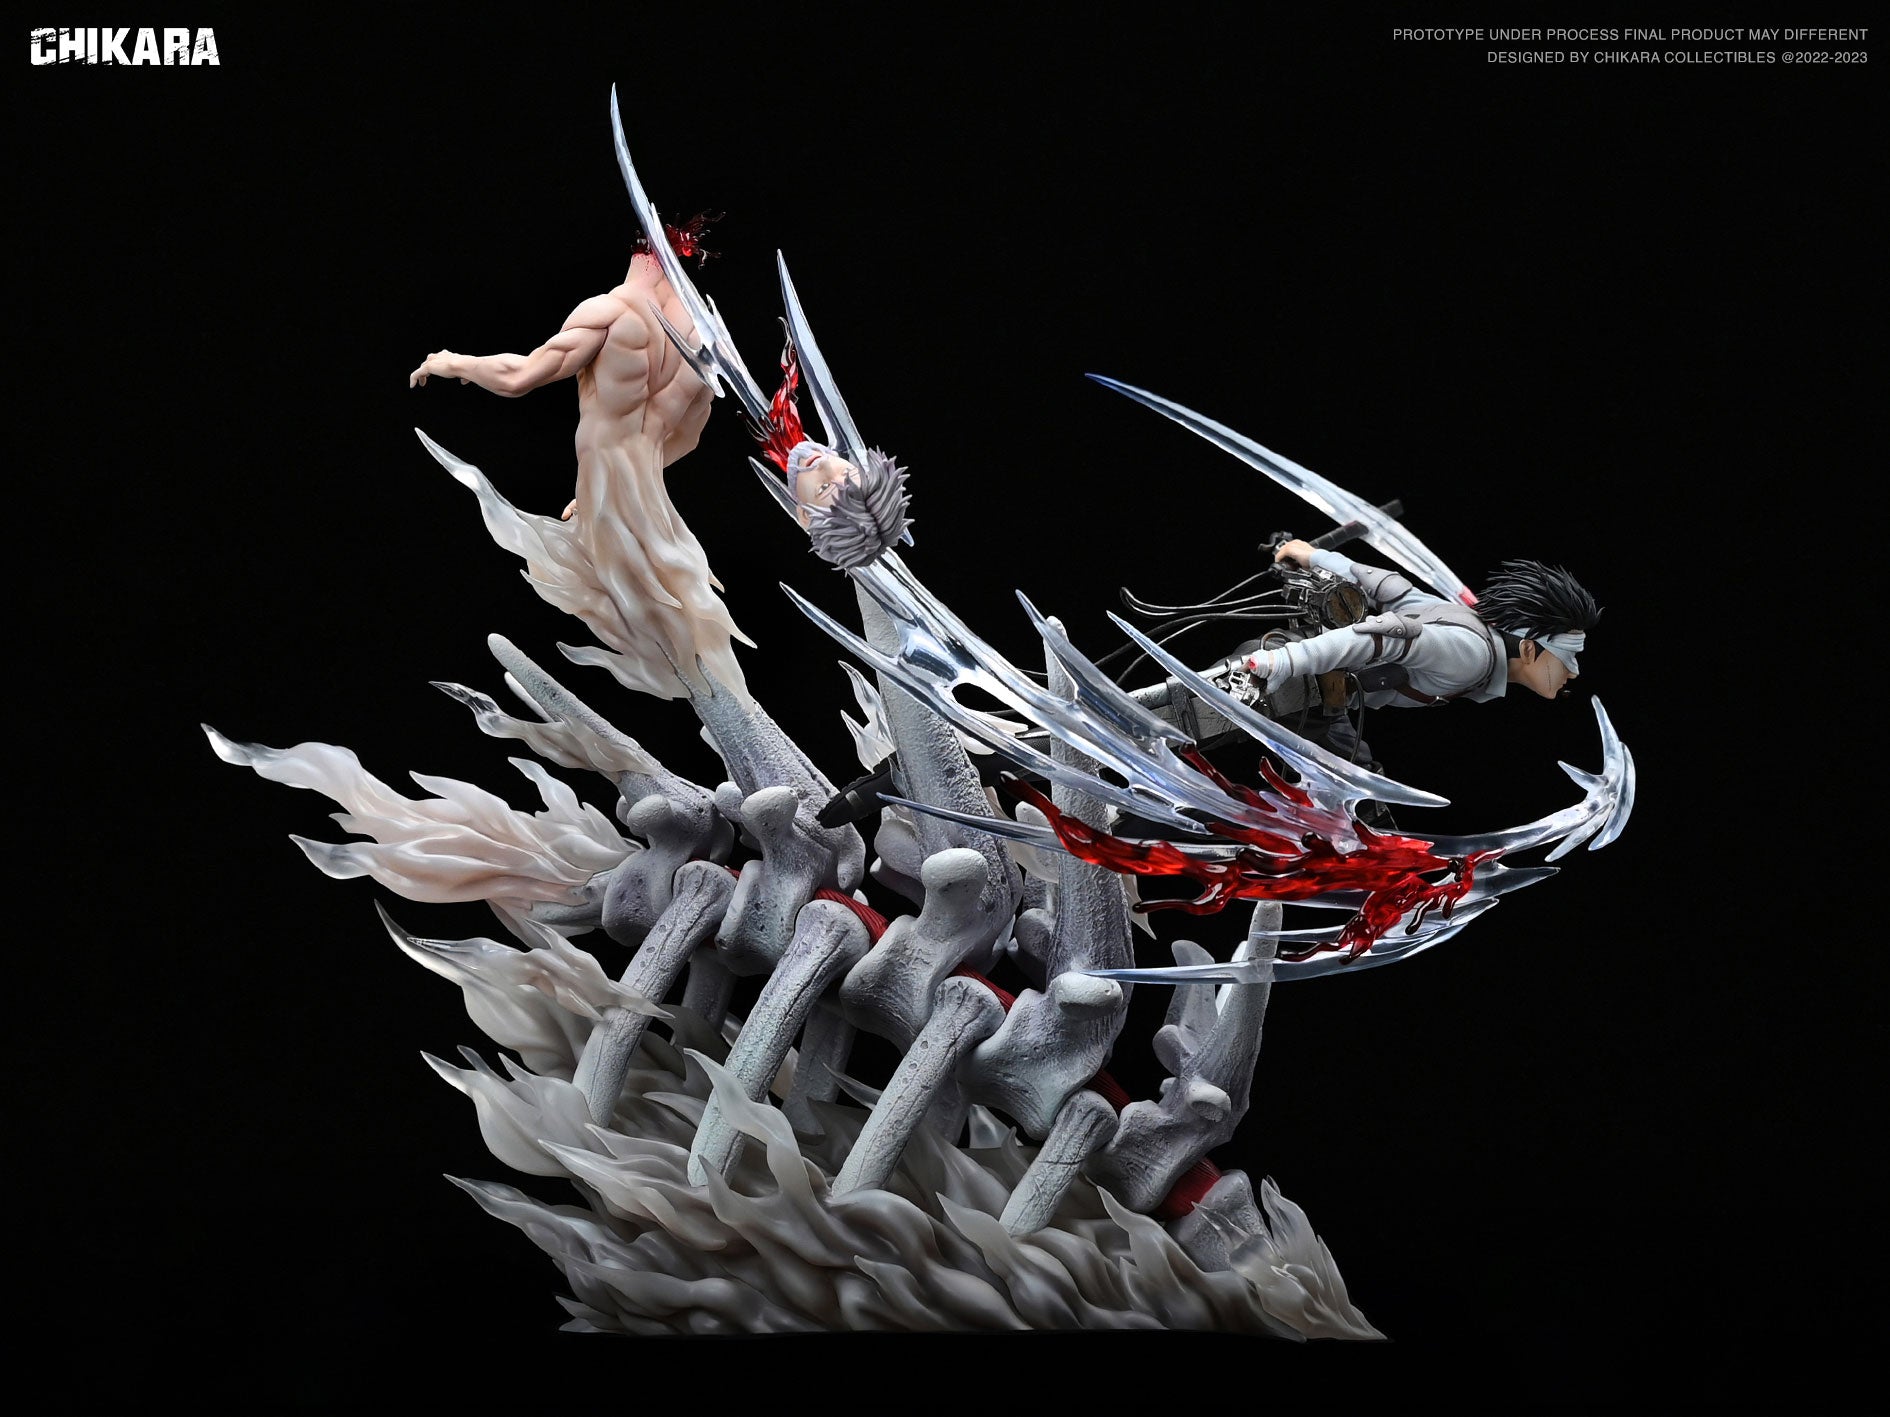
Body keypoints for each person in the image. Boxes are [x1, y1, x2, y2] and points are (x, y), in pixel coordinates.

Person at [408, 252, 750, 699]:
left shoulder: (612, 312)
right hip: (652, 503)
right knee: (689, 619)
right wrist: (637, 472)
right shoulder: (701, 336)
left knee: (642, 624)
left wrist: (455, 363)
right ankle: (735, 710)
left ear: (643, 253)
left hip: (605, 494)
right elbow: (688, 436)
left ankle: (728, 715)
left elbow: (520, 376)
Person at [1239, 540, 1599, 709]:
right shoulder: (1472, 656)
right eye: (1565, 658)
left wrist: (1314, 556)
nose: (1572, 672)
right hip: (1290, 682)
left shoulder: (1469, 623)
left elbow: (1389, 589)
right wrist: (1284, 662)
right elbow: (1382, 638)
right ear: (1529, 649)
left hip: (1316, 690)